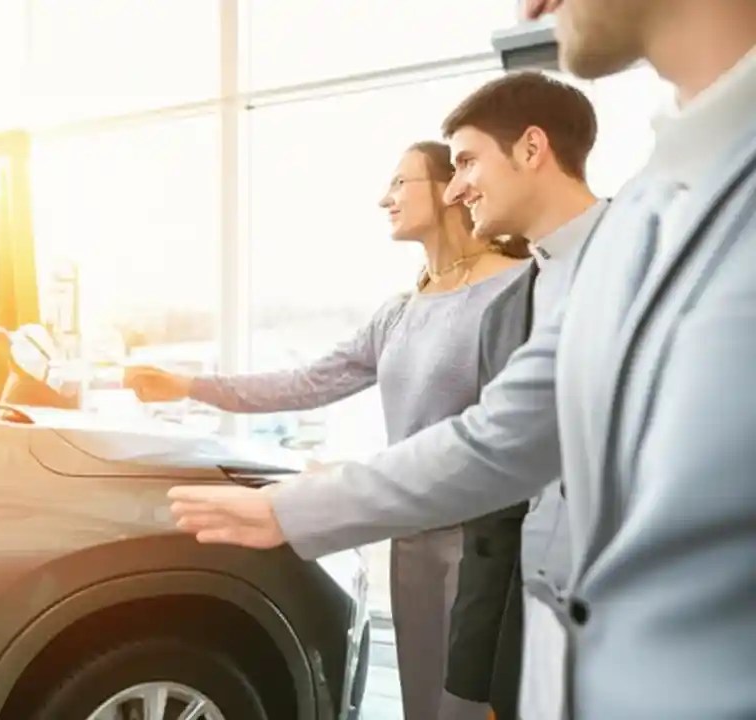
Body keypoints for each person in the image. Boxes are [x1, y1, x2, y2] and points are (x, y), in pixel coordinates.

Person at [167, 0, 756, 717]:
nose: (527, 7)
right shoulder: (651, 213)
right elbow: (502, 438)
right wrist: (288, 507)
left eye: (468, 162)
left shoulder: (629, 236)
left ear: (532, 149)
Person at [126, 140, 527, 720]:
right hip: (413, 540)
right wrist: (189, 386)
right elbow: (308, 382)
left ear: (449, 188)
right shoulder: (399, 311)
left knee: (477, 707)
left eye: (399, 183)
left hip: (489, 546)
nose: (383, 198)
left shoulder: (517, 287)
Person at [431, 72, 604, 719]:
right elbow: (496, 501)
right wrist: (478, 676)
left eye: (468, 161)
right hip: (529, 640)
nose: (456, 189)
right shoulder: (505, 314)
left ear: (531, 149)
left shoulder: (663, 264)